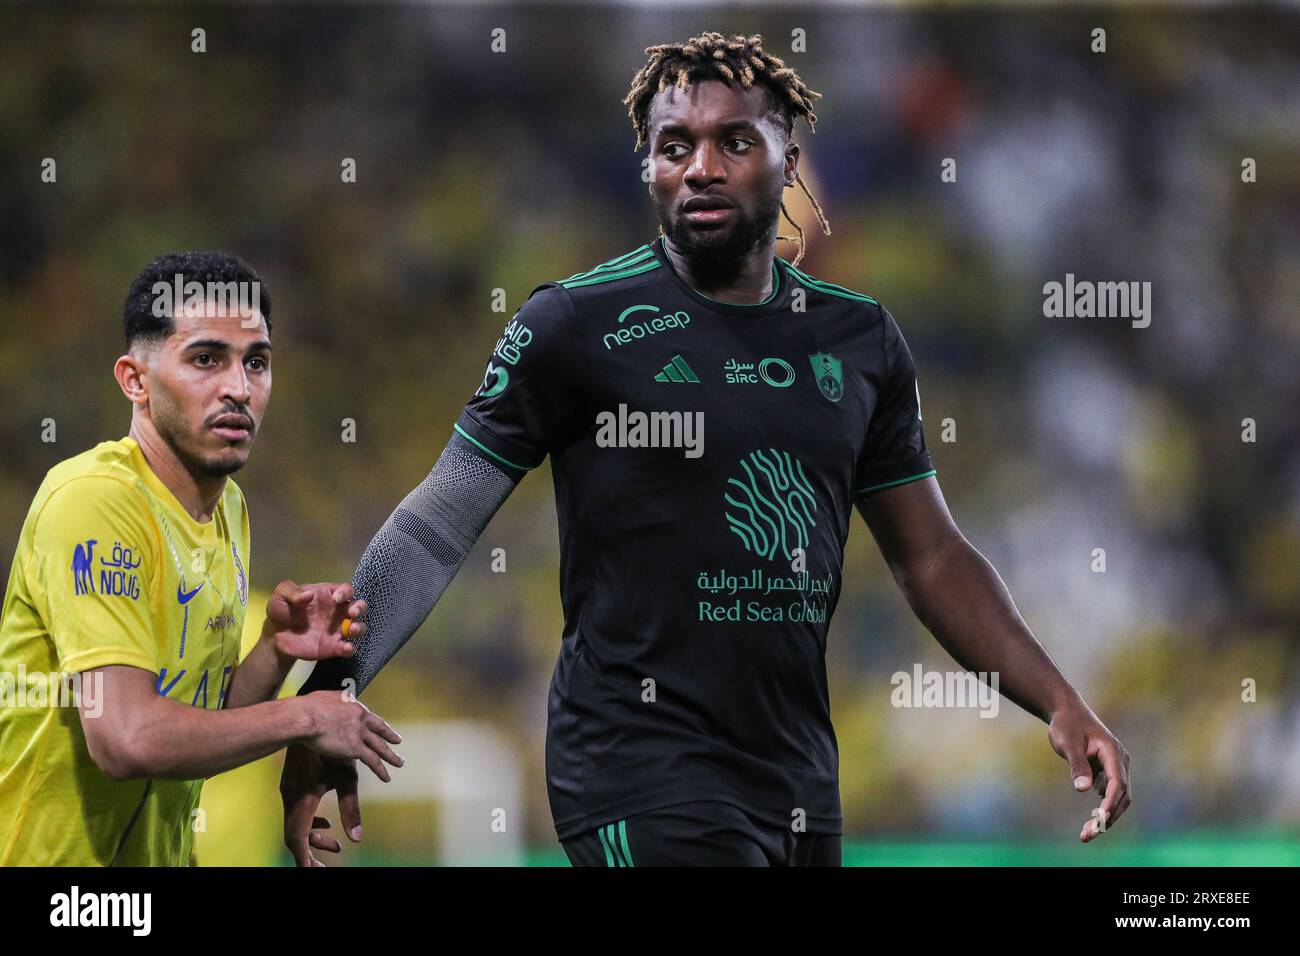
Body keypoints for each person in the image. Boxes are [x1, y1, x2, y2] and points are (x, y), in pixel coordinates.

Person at [284, 31, 1130, 867]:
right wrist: (332, 691)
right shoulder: (575, 324)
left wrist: (1056, 699)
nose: (701, 167)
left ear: (788, 159)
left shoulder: (860, 340)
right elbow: (440, 519)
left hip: (797, 783)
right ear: (647, 166)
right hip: (633, 768)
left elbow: (933, 556)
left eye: (735, 140)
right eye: (674, 145)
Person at [0, 251, 402, 866]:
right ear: (134, 379)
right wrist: (302, 717)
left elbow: (192, 732)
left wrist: (272, 653)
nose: (239, 388)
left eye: (257, 363)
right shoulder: (94, 501)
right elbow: (129, 742)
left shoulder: (228, 510)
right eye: (206, 359)